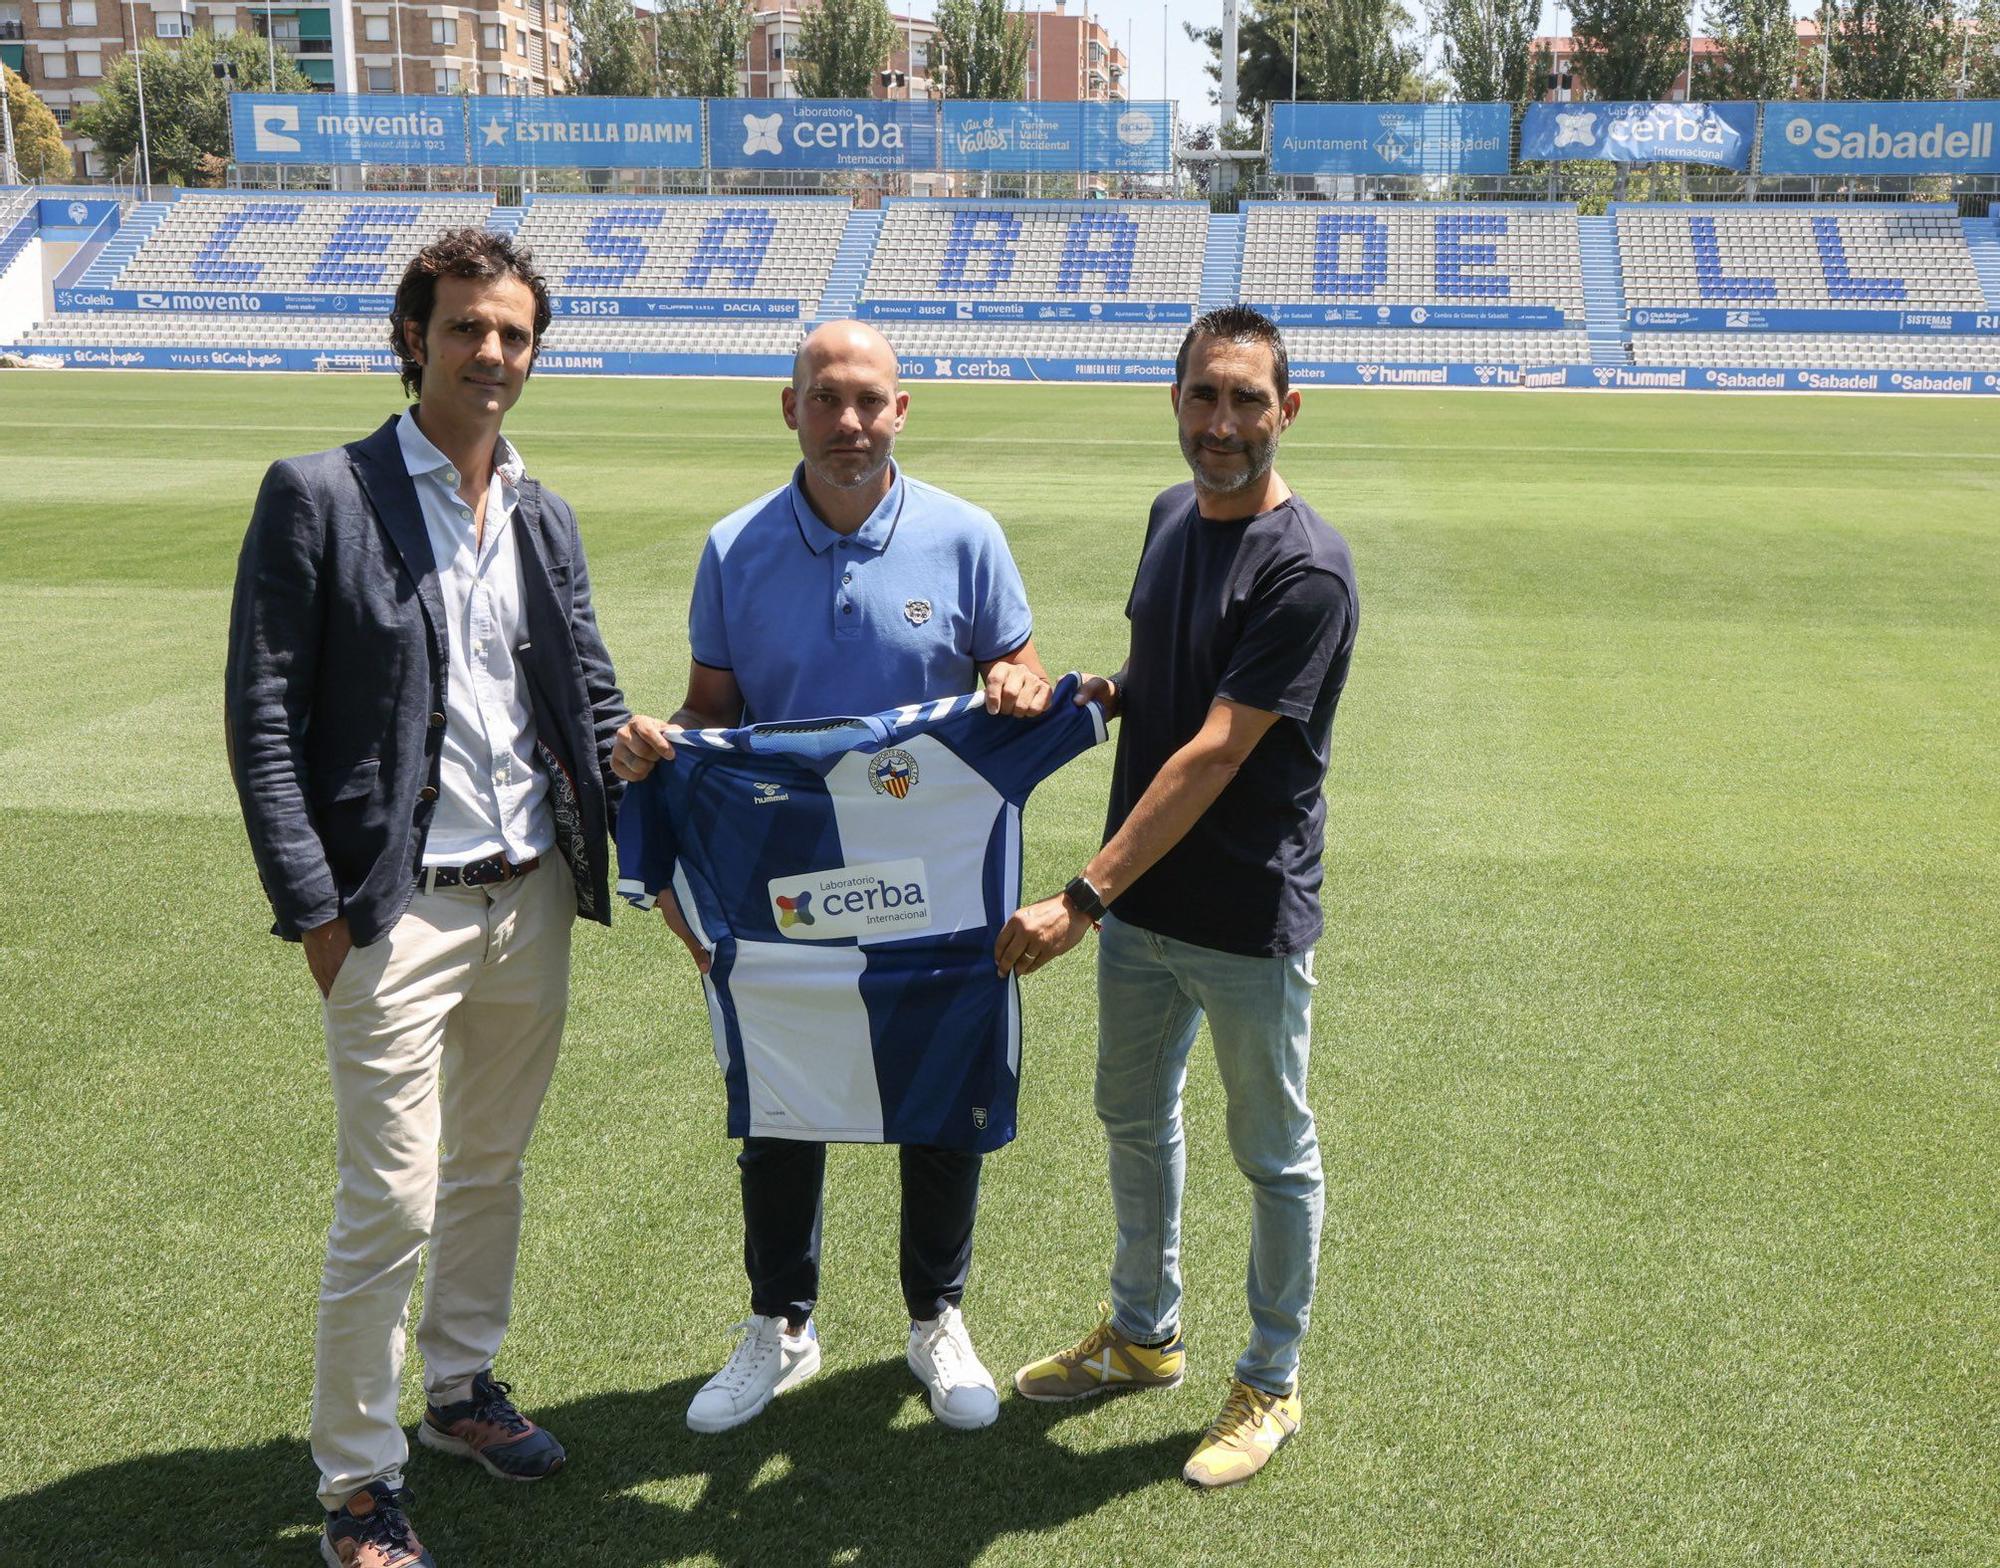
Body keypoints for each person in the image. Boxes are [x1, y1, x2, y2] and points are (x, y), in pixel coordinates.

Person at [224, 229, 627, 1568]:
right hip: (393, 908)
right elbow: (263, 713)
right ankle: (356, 1482)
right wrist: (316, 910)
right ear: (413, 338)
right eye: (466, 327)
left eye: (513, 334)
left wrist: (649, 766)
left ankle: (458, 1389)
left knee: (491, 1165)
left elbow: (586, 692)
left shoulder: (539, 509)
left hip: (531, 892)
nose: (491, 353)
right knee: (391, 1200)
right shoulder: (321, 494)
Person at [612, 319, 1055, 1437]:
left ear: (901, 410)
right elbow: (714, 709)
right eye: (825, 399)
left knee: (939, 1081)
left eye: (868, 401)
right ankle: (780, 1323)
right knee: (781, 1093)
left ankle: (935, 1316)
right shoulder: (735, 546)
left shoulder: (967, 536)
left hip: (933, 867)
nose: (848, 422)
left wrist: (1017, 676)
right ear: (790, 408)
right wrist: (664, 741)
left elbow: (1019, 667)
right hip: (787, 870)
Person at [999, 305, 1358, 1490]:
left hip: (1244, 916)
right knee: (1131, 1115)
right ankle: (1143, 1334)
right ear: (1174, 399)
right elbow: (1173, 670)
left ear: (1285, 410)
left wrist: (1080, 896)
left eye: (1246, 399)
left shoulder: (1305, 568)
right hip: (1145, 912)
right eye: (1203, 394)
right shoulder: (1168, 515)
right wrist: (1101, 691)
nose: (1221, 422)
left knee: (1273, 1152)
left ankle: (1270, 1378)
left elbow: (1213, 749)